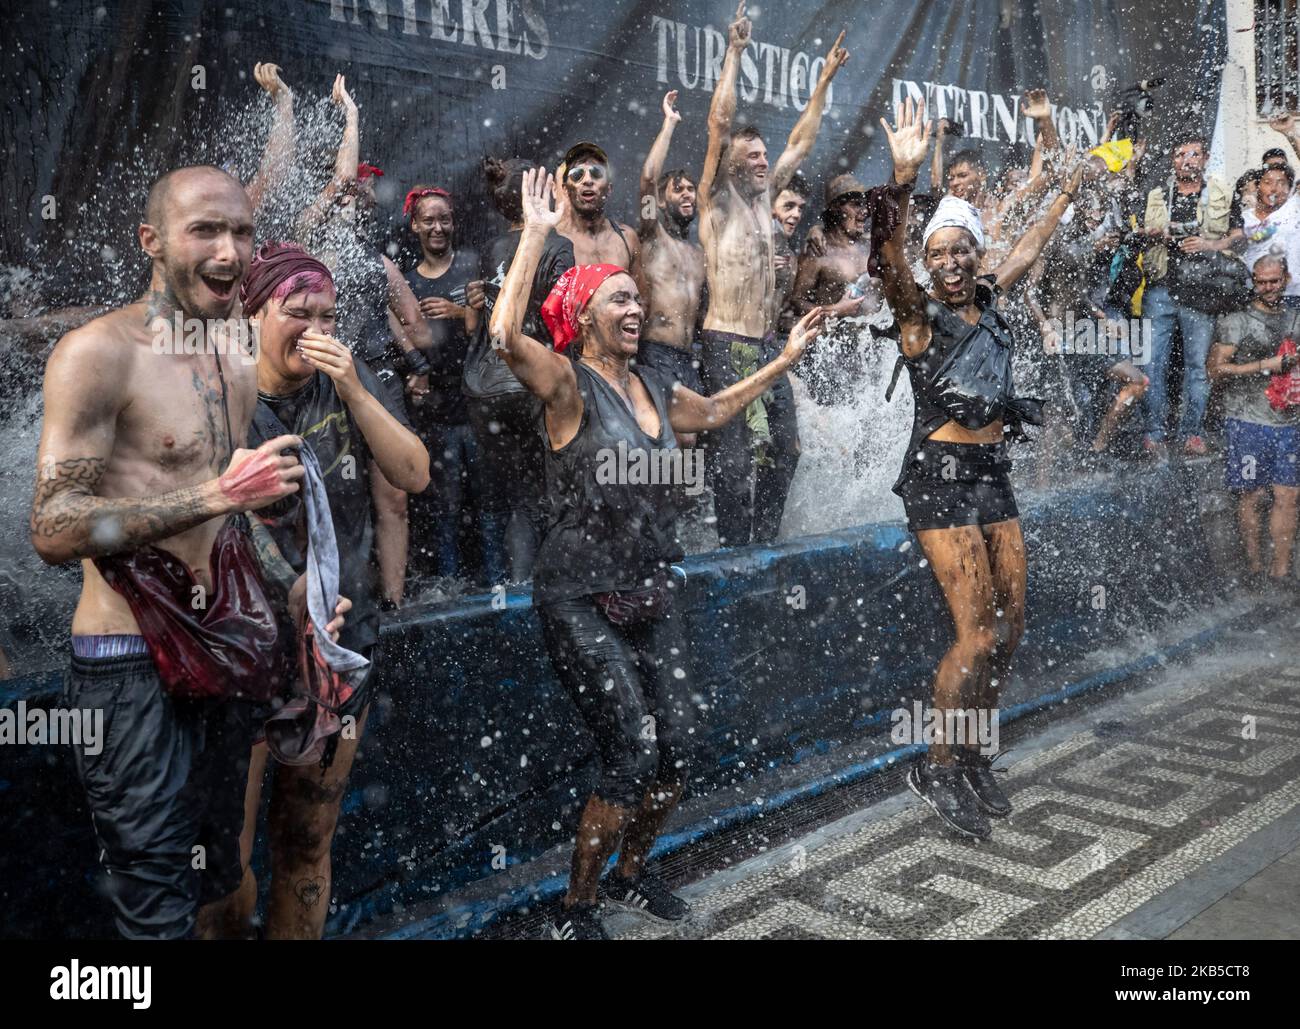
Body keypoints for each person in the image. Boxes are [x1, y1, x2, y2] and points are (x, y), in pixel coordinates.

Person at [490, 167, 826, 939]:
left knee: (678, 744)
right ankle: (576, 906)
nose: (637, 307)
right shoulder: (569, 386)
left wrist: (782, 361)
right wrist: (537, 233)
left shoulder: (653, 388)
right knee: (630, 750)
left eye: (638, 298)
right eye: (620, 299)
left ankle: (632, 876)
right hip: (578, 594)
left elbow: (711, 409)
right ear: (582, 315)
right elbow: (506, 338)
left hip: (649, 585)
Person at [28, 165, 344, 939]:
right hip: (128, 663)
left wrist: (292, 589)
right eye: (205, 230)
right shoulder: (98, 352)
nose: (230, 251)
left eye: (240, 232)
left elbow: (228, 521)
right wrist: (213, 496)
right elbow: (53, 527)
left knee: (217, 873)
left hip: (224, 652)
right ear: (152, 242)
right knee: (154, 894)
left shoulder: (235, 354)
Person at [876, 100, 1079, 840]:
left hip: (992, 473)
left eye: (964, 250)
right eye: (940, 253)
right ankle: (933, 762)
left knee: (1012, 627)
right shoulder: (916, 314)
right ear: (928, 262)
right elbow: (887, 262)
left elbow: (1027, 247)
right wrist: (900, 184)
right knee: (974, 633)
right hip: (938, 478)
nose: (953, 263)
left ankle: (973, 753)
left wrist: (1065, 192)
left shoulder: (993, 299)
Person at [227, 242, 428, 940]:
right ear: (253, 311)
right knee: (224, 864)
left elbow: (414, 473)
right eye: (298, 311)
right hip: (243, 654)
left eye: (330, 314)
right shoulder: (223, 395)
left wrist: (355, 390)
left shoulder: (347, 380)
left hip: (340, 646)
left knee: (309, 842)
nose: (316, 327)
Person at [697, 1, 848, 546]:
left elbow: (801, 141)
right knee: (735, 462)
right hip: (725, 343)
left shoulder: (765, 202)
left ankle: (762, 545)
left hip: (766, 345)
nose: (763, 161)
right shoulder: (717, 202)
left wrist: (824, 81)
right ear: (733, 161)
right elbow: (718, 124)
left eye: (764, 154)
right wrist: (734, 54)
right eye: (752, 154)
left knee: (786, 449)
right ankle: (733, 551)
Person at [295, 73, 432, 607]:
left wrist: (415, 357)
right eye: (349, 187)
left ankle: (395, 602)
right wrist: (350, 117)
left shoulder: (375, 259)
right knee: (326, 492)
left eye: (362, 188)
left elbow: (412, 324)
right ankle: (324, 600)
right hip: (324, 374)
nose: (358, 192)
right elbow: (343, 182)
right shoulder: (311, 239)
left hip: (377, 376)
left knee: (393, 493)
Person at [462, 156, 576, 581]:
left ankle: (497, 587)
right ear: (539, 192)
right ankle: (530, 589)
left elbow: (477, 324)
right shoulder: (558, 246)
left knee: (496, 499)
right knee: (535, 496)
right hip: (529, 384)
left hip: (483, 389)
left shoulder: (491, 248)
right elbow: (562, 320)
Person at [1137, 130, 1244, 459]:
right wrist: (1156, 233)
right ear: (1172, 160)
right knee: (1151, 365)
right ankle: (1154, 433)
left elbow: (1239, 235)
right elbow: (1137, 235)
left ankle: (1191, 434)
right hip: (1161, 289)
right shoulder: (1157, 195)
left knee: (1197, 366)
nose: (1187, 160)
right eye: (1180, 155)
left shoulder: (1222, 193)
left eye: (1193, 154)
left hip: (1202, 292)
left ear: (1205, 159)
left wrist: (1209, 244)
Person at [402, 185, 485, 579]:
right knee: (445, 504)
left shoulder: (472, 265)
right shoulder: (406, 283)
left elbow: (499, 326)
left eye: (444, 219)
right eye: (429, 220)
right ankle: (449, 587)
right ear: (415, 225)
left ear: (454, 223)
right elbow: (399, 341)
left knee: (489, 500)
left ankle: (497, 583)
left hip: (478, 401)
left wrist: (457, 312)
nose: (438, 227)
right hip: (437, 410)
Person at [1208, 255, 1300, 591]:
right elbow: (1215, 370)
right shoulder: (1237, 321)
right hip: (1247, 421)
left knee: (1288, 496)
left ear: (1286, 279)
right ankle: (1255, 567)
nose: (1268, 288)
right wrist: (1266, 364)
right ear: (1253, 281)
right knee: (1253, 495)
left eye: (1274, 281)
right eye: (1261, 282)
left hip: (1289, 422)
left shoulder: (1295, 316)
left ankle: (1280, 573)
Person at [635, 90, 706, 404]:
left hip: (690, 357)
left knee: (691, 440)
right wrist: (669, 124)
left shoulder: (699, 253)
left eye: (691, 189)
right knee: (675, 439)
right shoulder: (653, 236)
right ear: (662, 200)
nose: (688, 194)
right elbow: (649, 178)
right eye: (678, 190)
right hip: (657, 353)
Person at [556, 141, 640, 273]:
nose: (588, 180)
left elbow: (640, 293)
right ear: (566, 190)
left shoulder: (628, 239)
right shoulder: (555, 240)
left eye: (597, 173)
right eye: (577, 174)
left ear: (609, 189)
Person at [1242, 164, 1300, 307]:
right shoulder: (1243, 218)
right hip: (1255, 296)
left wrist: (1293, 140)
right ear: (1257, 186)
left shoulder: (1294, 209)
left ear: (1289, 188)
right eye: (1267, 183)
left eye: (1281, 183)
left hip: (1293, 295)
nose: (1274, 189)